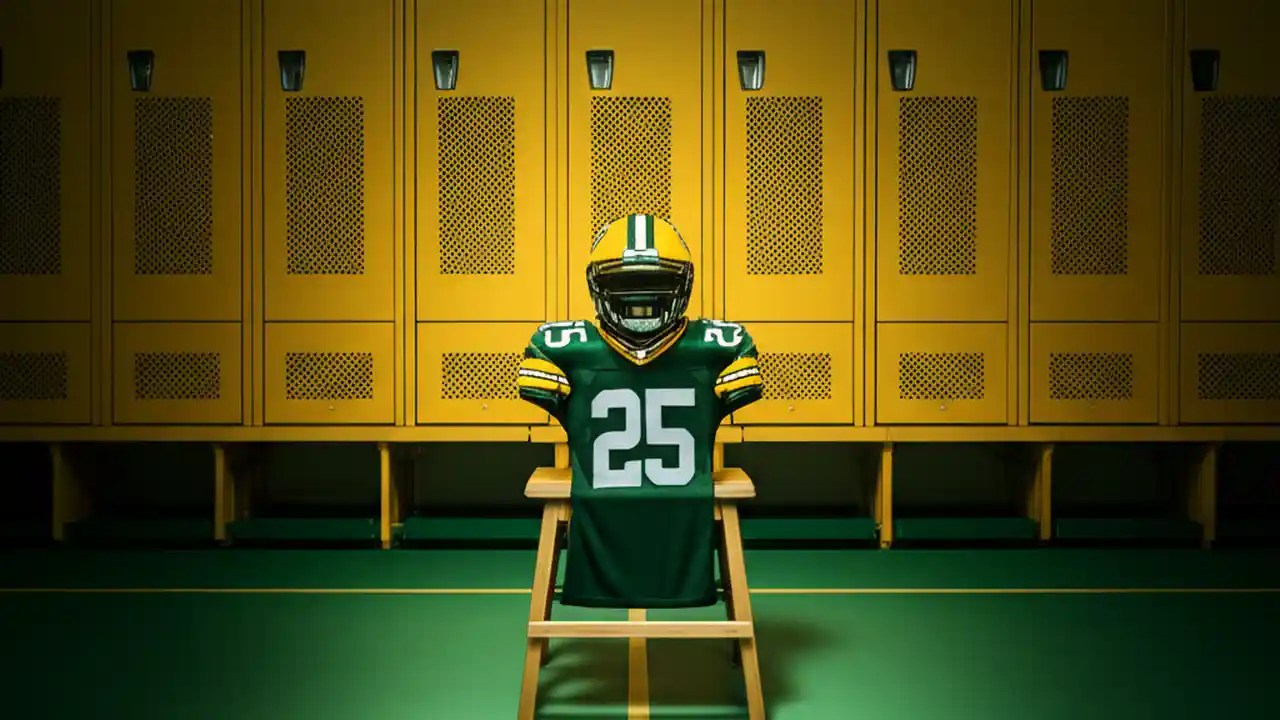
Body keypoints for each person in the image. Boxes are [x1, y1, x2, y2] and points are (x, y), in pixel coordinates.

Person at [516, 213, 763, 608]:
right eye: (625, 282)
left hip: (598, 499)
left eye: (655, 281)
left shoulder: (558, 344)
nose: (640, 297)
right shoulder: (723, 342)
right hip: (685, 502)